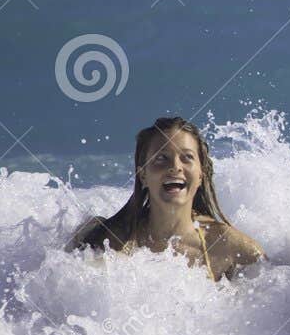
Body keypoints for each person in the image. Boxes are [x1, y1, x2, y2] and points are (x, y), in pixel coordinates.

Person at [67, 116, 264, 281]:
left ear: (201, 175)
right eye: (161, 158)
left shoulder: (230, 247)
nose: (175, 166)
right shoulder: (110, 242)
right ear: (143, 175)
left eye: (187, 157)